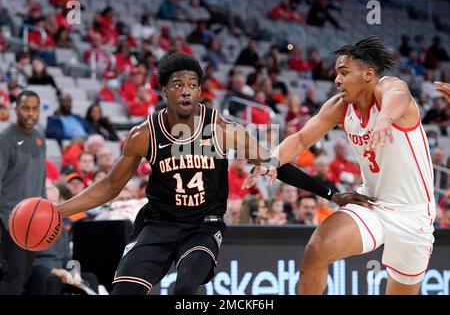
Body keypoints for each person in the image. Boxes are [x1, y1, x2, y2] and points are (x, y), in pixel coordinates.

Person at [55, 52, 371, 295]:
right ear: (164, 89)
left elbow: (275, 162)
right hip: (158, 224)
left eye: (193, 85)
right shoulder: (144, 134)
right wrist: (60, 211)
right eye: (178, 85)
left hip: (201, 225)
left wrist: (331, 193)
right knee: (124, 291)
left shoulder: (221, 129)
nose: (187, 92)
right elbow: (111, 186)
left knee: (185, 289)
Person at [245, 36, 436, 295]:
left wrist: (384, 120)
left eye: (344, 73)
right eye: (337, 73)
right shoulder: (339, 107)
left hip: (414, 215)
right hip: (371, 204)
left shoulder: (387, 89)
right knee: (317, 249)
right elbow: (301, 138)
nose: (337, 80)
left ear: (368, 75)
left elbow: (398, 93)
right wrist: (272, 160)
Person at [0, 90, 46, 294]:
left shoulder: (39, 138)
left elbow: (41, 179)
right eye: (26, 108)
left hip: (34, 222)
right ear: (17, 109)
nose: (30, 114)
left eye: (35, 109)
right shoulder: (5, 139)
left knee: (26, 274)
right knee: (14, 275)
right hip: (10, 221)